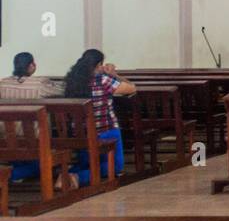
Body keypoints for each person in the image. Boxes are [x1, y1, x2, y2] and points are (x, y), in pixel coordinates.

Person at [1, 51, 77, 189]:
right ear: (31, 66)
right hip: (35, 141)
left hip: (7, 140)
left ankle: (15, 173)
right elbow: (64, 91)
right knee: (45, 165)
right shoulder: (40, 84)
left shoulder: (3, 83)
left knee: (21, 159)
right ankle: (12, 175)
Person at [63, 49, 135, 184]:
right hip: (105, 131)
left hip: (80, 134)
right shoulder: (103, 80)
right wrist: (114, 75)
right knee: (116, 167)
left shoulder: (71, 81)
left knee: (86, 164)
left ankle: (68, 174)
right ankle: (77, 178)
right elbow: (132, 88)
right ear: (98, 65)